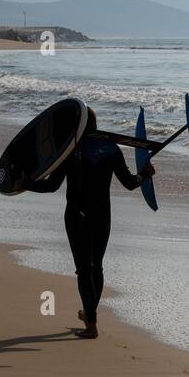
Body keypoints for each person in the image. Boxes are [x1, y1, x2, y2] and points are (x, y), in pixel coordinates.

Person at [24, 108, 154, 338]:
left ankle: (91, 323)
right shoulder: (112, 148)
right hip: (102, 216)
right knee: (97, 267)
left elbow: (51, 185)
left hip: (76, 215)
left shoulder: (70, 149)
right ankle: (89, 315)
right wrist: (145, 174)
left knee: (84, 270)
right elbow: (130, 183)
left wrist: (26, 183)